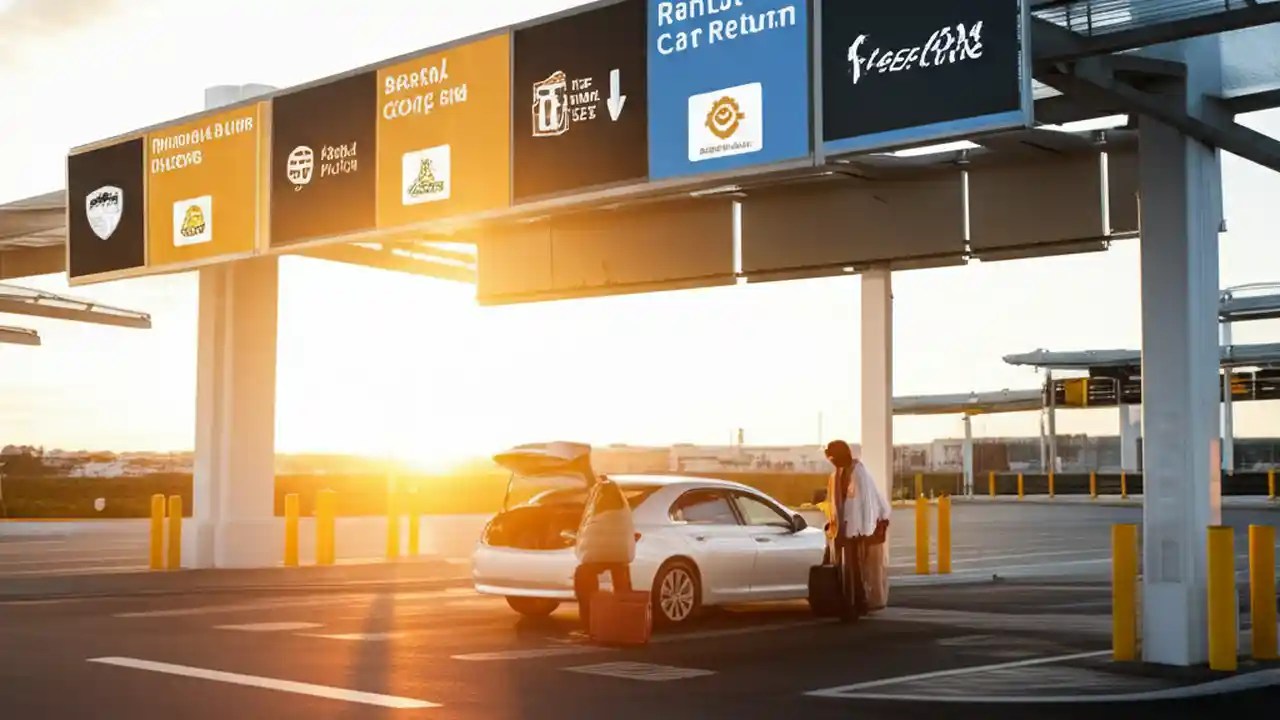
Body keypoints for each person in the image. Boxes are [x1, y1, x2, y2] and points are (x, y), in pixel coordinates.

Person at [823, 440, 892, 619]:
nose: (830, 461)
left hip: (858, 530)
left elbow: (864, 505)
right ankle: (855, 603)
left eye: (832, 457)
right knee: (851, 570)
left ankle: (855, 605)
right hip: (846, 530)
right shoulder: (839, 473)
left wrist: (859, 530)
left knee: (856, 569)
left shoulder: (858, 473)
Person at [573, 475, 636, 629]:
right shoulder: (624, 510)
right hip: (622, 556)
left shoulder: (596, 509)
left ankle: (588, 620)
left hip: (596, 557)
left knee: (583, 573)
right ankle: (626, 616)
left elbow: (585, 534)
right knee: (621, 571)